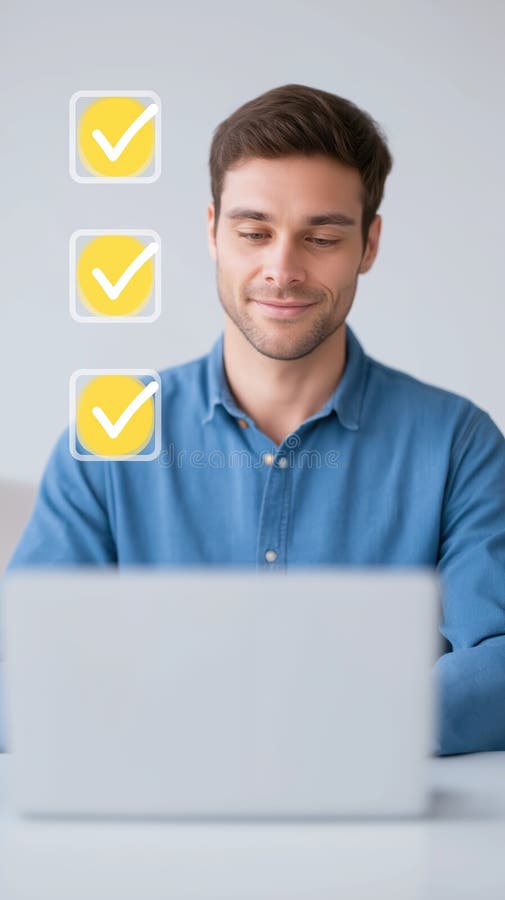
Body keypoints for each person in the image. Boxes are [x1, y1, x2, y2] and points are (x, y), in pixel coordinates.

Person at [7, 83, 505, 756]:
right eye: (253, 233)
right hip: (148, 839)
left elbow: (498, 662)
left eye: (321, 237)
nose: (283, 268)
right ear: (211, 232)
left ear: (368, 244)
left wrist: (322, 728)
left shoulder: (458, 444)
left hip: (382, 838)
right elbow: (21, 670)